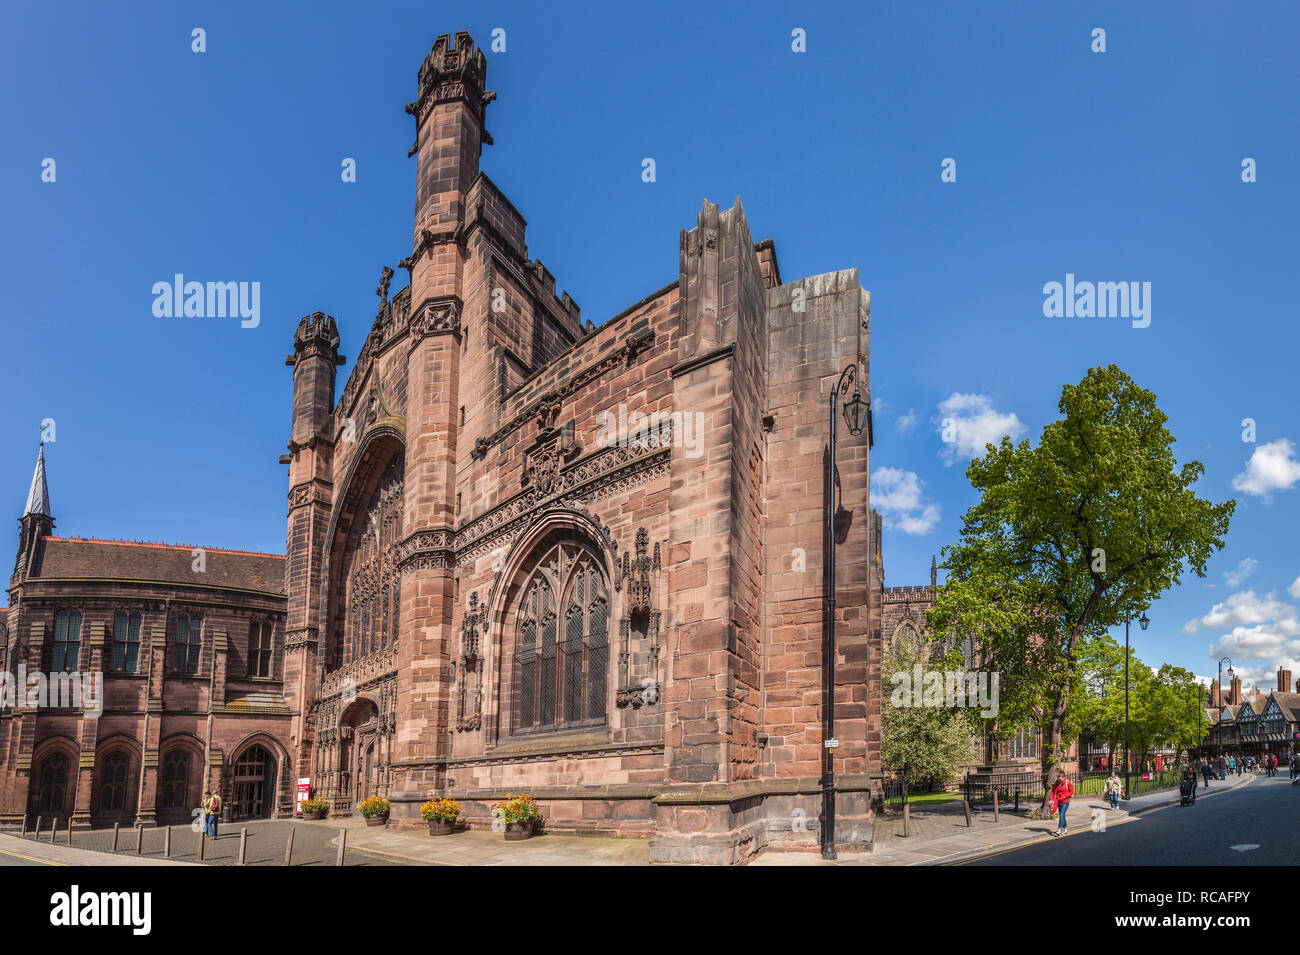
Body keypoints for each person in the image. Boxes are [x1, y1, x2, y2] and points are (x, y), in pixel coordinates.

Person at [1050, 769, 1074, 837]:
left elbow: (1072, 791)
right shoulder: (1056, 783)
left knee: (1061, 814)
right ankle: (1065, 829)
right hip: (1058, 802)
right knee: (1062, 815)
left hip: (1066, 802)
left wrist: (1064, 796)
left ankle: (1059, 830)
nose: (1058, 780)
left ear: (1063, 777)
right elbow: (1053, 792)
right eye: (1058, 778)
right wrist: (1051, 799)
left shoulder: (1067, 782)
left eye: (1059, 778)